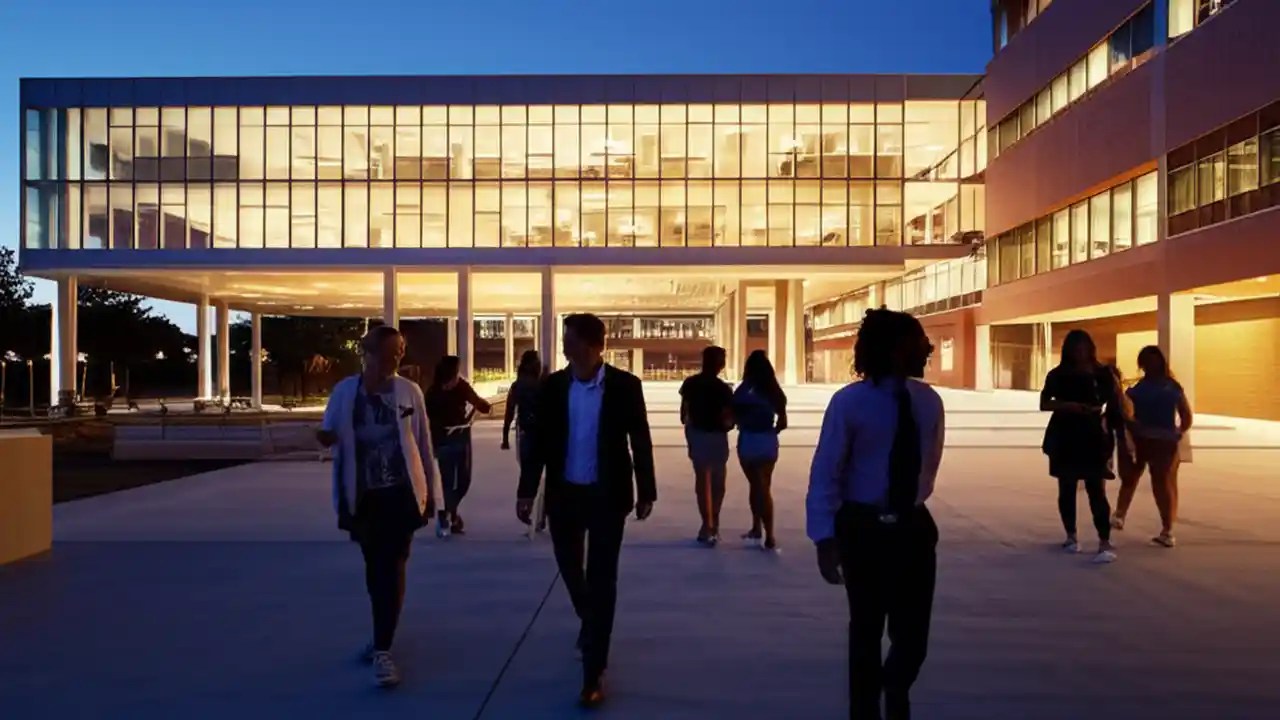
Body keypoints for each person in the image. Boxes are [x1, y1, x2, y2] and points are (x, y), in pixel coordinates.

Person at [807, 308, 944, 720]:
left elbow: (928, 466)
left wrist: (908, 508)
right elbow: (827, 470)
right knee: (865, 630)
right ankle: (867, 711)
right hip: (863, 528)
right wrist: (824, 538)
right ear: (895, 348)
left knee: (913, 637)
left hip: (913, 528)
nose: (928, 350)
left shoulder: (928, 401)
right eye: (920, 342)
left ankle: (894, 686)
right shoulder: (851, 403)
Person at [516, 313, 656, 708]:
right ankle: (590, 621)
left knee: (602, 579)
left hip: (607, 496)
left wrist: (647, 489)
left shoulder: (625, 386)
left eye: (573, 341)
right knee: (569, 566)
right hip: (565, 496)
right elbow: (539, 442)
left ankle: (594, 672)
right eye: (565, 340)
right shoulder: (554, 387)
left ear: (596, 346)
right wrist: (527, 491)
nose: (565, 348)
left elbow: (640, 440)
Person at [316, 325, 442, 688]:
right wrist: (326, 439)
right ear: (366, 353)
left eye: (400, 352)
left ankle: (383, 647)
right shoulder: (345, 393)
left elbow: (422, 442)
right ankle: (381, 629)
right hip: (363, 495)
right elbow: (331, 434)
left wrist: (431, 495)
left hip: (400, 494)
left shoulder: (409, 391)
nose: (396, 358)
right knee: (375, 568)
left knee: (394, 563)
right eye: (389, 352)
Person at [1040, 329, 1122, 563]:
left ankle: (1104, 540)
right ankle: (1071, 536)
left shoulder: (1102, 373)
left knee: (1096, 488)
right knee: (1066, 486)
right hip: (1065, 434)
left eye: (1084, 347)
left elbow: (1114, 403)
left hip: (1093, 434)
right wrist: (1070, 406)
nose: (1080, 352)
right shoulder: (1058, 374)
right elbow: (1045, 403)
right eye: (1076, 348)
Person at [1112, 345, 1193, 548]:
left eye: (1151, 360)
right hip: (1149, 439)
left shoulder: (1163, 387)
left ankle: (1166, 529)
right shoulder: (1157, 388)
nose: (1149, 365)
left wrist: (1178, 432)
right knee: (1144, 480)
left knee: (1160, 483)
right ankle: (1123, 516)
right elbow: (1127, 412)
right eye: (1146, 361)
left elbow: (1185, 414)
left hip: (1157, 441)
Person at [425, 355, 492, 536]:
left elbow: (477, 401)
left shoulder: (462, 386)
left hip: (462, 437)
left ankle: (449, 512)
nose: (457, 378)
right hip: (443, 440)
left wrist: (483, 405)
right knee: (447, 481)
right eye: (455, 375)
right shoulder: (432, 394)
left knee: (463, 481)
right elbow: (426, 421)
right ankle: (446, 514)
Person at [733, 349, 788, 551]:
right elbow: (783, 423)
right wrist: (771, 430)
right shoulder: (775, 392)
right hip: (768, 440)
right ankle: (762, 529)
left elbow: (733, 415)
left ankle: (765, 531)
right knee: (763, 486)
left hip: (748, 440)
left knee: (756, 486)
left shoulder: (743, 390)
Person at [679, 345, 734, 546]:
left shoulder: (691, 383)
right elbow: (729, 417)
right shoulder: (724, 388)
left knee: (703, 481)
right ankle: (714, 522)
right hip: (717, 436)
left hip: (698, 435)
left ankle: (706, 524)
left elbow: (684, 413)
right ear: (721, 364)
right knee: (718, 482)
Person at [503, 349, 546, 533]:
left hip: (528, 434)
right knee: (545, 477)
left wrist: (505, 436)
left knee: (529, 473)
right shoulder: (544, 383)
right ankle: (541, 514)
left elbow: (509, 412)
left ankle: (526, 508)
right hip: (544, 434)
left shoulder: (519, 385)